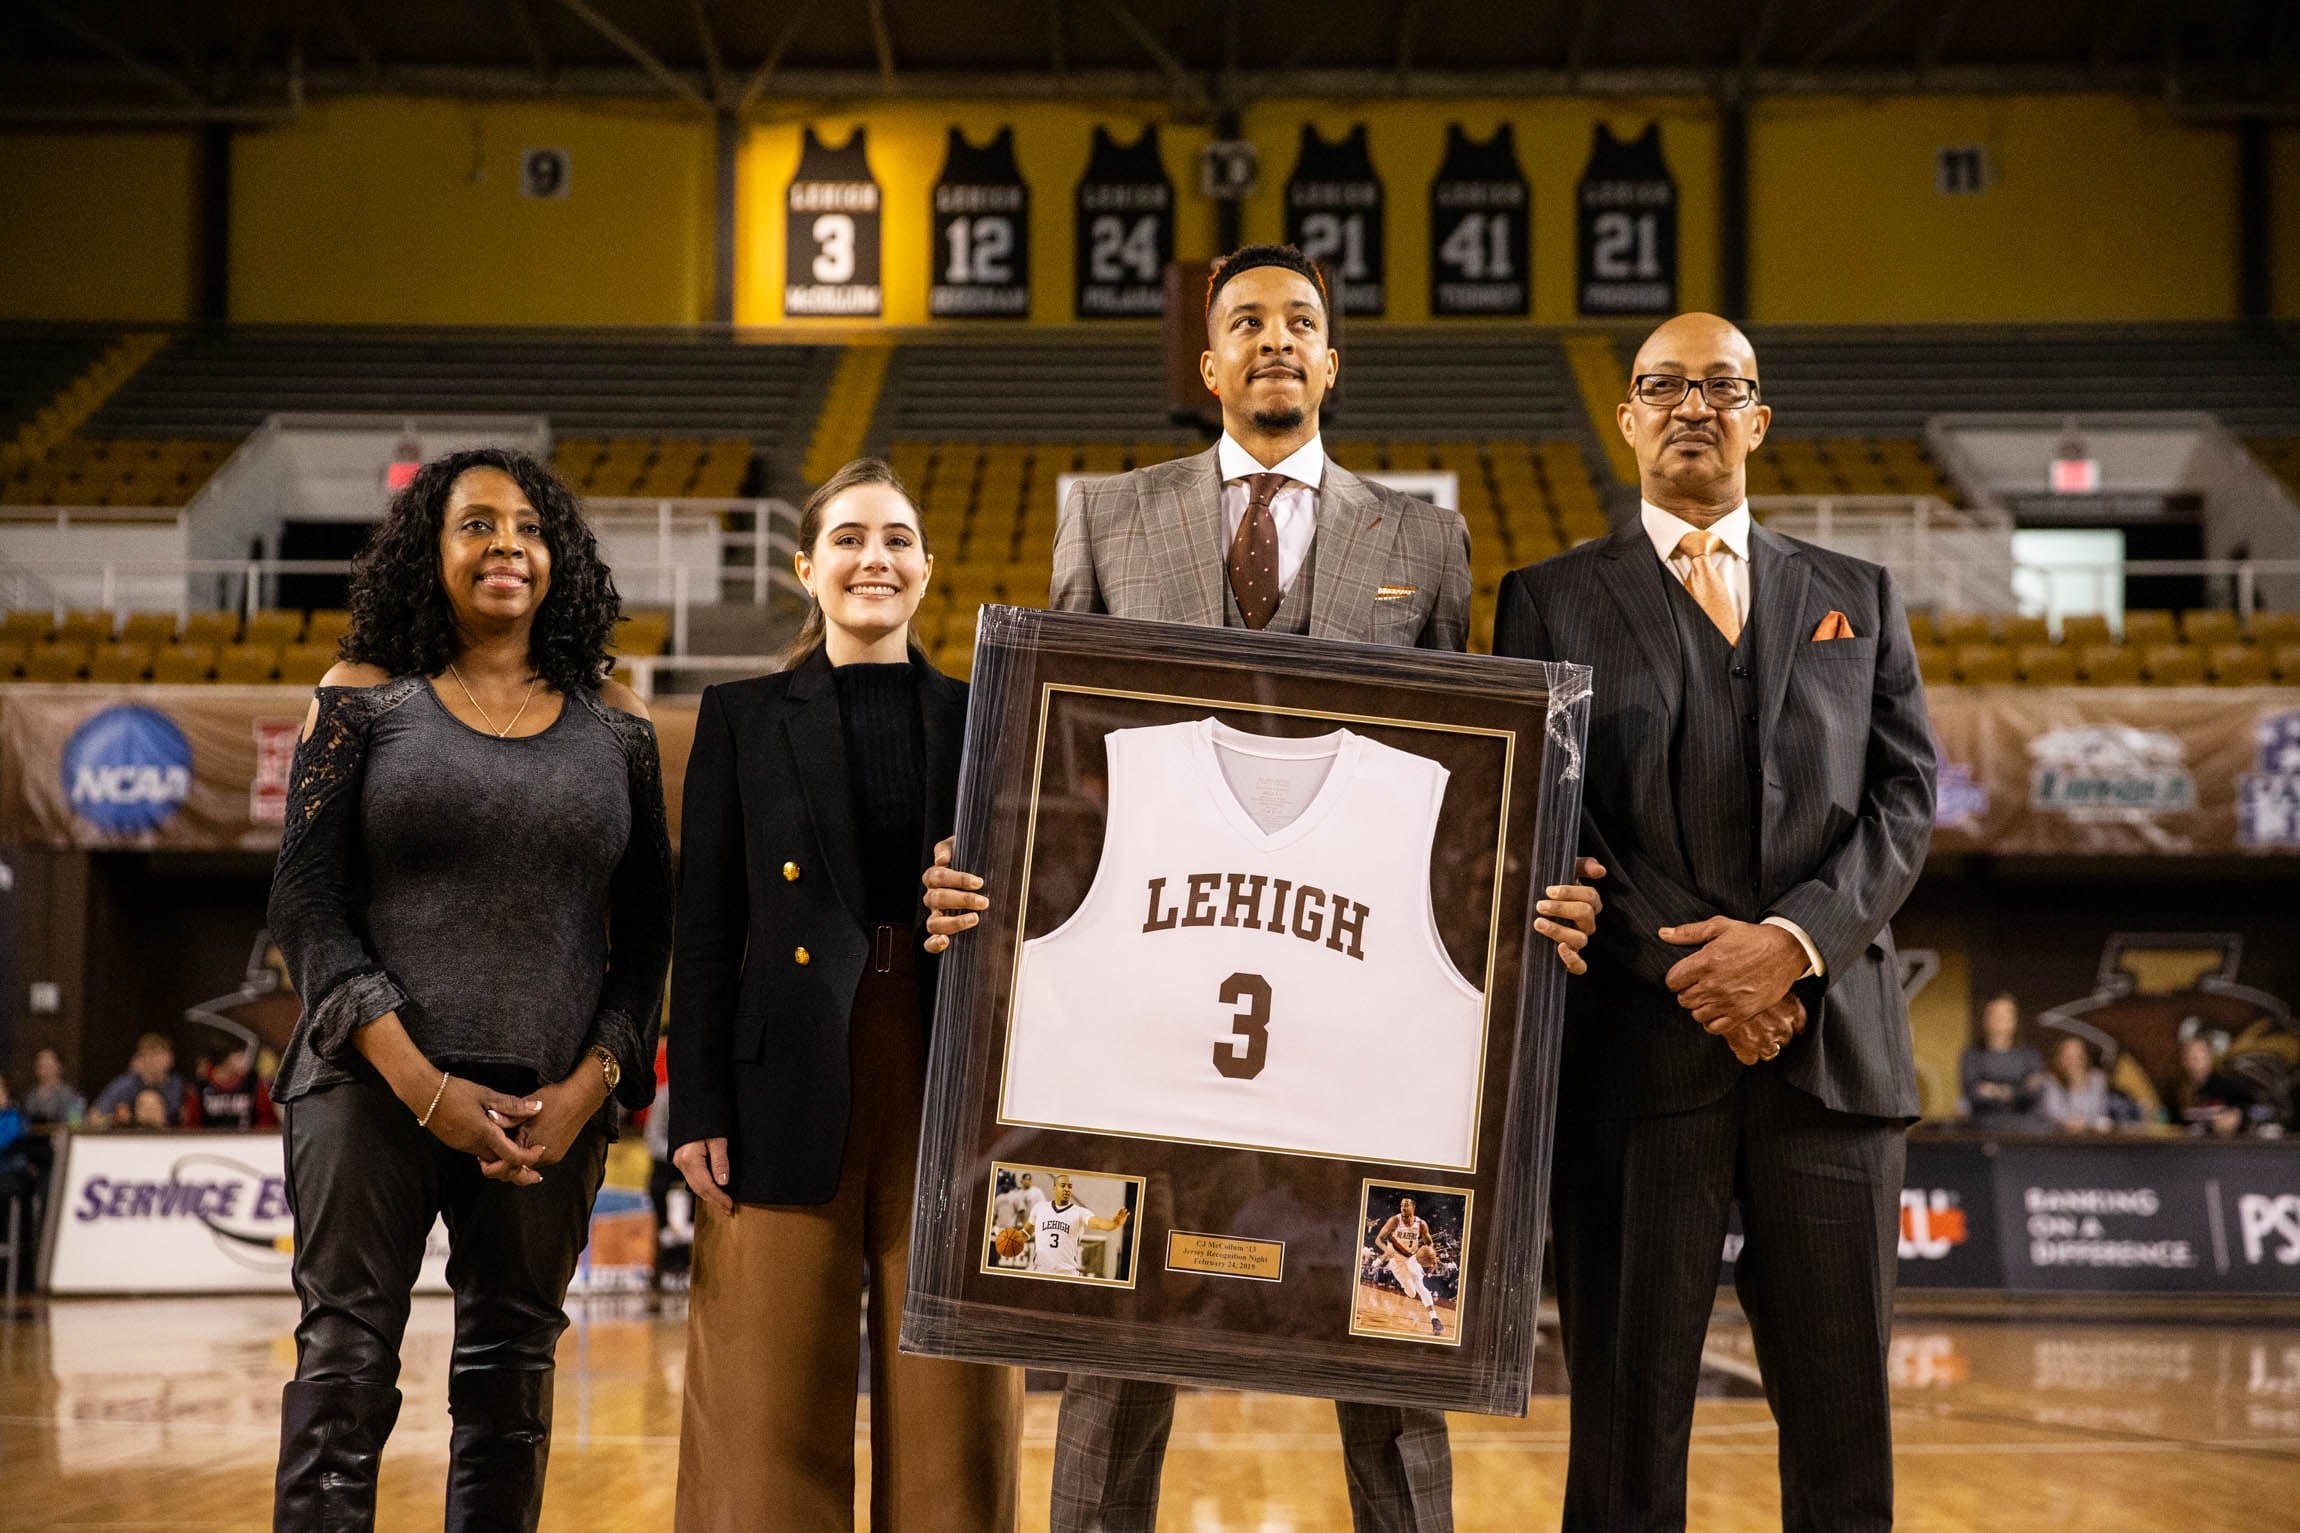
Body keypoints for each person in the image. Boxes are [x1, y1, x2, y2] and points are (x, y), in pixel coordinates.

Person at [924, 243, 1606, 1533]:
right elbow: (1055, 762)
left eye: (1301, 320)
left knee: (1396, 1344)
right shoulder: (1109, 517)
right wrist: (990, 880)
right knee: (1112, 1347)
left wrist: (1524, 893)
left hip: (1354, 1004)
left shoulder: (1422, 536)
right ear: (1208, 364)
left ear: (1332, 360)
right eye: (1246, 323)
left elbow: (1465, 791)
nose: (1275, 340)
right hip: (1153, 1001)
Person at [1493, 312, 1936, 1532]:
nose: (1692, 406)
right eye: (1663, 387)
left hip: (1832, 1058)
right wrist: (1697, 971)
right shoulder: (1543, 602)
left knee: (1843, 1425)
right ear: (1626, 418)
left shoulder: (1859, 594)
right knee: (1626, 1425)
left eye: (1720, 386)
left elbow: (1903, 805)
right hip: (1635, 1059)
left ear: (1757, 417)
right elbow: (1552, 822)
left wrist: (1788, 948)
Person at [265, 447, 670, 1532]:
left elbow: (648, 941)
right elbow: (304, 908)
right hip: (368, 1086)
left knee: (510, 1384)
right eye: (477, 525)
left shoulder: (619, 722)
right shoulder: (360, 699)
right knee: (344, 1370)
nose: (507, 547)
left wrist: (593, 1084)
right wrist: (418, 1079)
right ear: (426, 553)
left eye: (532, 529)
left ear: (560, 559)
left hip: (548, 1105)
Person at [668, 458, 1019, 1532]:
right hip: (785, 1079)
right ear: (806, 569)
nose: (877, 557)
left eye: (898, 539)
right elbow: (706, 925)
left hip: (950, 1070)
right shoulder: (737, 717)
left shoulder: (996, 714)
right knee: (765, 1413)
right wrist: (698, 1110)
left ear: (926, 567)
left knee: (955, 1408)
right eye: (853, 539)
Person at [1959, 993, 2047, 1131]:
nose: (2001, 1019)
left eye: (2007, 1015)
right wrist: (2016, 1090)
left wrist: (1993, 1090)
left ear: (2015, 1020)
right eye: (1996, 1015)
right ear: (1985, 1019)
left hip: (2025, 1130)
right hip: (1983, 1129)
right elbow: (1973, 1092)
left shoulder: (2029, 1056)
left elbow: (2035, 1092)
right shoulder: (1972, 1056)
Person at [1029, 1174, 1131, 1278]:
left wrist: (1114, 1224)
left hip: (1067, 1274)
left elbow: (1098, 1223)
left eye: (1069, 1186)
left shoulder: (1080, 1212)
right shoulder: (1039, 1208)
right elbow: (1026, 1231)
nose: (1067, 1189)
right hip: (1040, 1272)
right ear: (1054, 1188)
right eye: (1063, 1185)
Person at [1374, 1197, 1443, 1336]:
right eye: (1401, 1206)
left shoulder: (1421, 1224)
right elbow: (1378, 1239)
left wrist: (1431, 1255)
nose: (1403, 1208)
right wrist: (1387, 1251)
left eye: (1406, 1206)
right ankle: (1406, 1287)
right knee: (1411, 1293)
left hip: (1412, 1259)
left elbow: (1429, 1243)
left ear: (1413, 1208)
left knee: (1421, 1287)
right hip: (1396, 1262)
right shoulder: (1395, 1220)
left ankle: (1435, 1320)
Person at [89, 1033, 190, 1126]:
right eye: (149, 1055)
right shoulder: (125, 1085)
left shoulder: (179, 1085)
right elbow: (94, 1117)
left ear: (170, 1058)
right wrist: (115, 1118)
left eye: (158, 1054)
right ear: (140, 1058)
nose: (154, 1061)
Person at [2167, 1034, 2253, 1137]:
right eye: (2189, 1053)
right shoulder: (2176, 1090)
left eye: (2200, 1052)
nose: (2194, 1057)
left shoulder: (2228, 1085)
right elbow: (2170, 1123)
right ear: (2183, 1060)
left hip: (2222, 1146)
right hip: (2188, 1147)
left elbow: (2255, 1110)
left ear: (2210, 1056)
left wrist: (2238, 1117)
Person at [194, 1046, 278, 1130]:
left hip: (247, 1140)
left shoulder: (253, 1083)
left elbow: (267, 1119)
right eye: (239, 1056)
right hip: (210, 1140)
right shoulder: (202, 1085)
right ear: (225, 1059)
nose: (246, 1060)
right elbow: (193, 1122)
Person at [23, 1048, 86, 1127]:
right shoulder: (30, 1097)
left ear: (59, 1067)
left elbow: (75, 1124)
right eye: (41, 1066)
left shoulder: (72, 1096)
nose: (45, 1071)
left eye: (49, 1066)